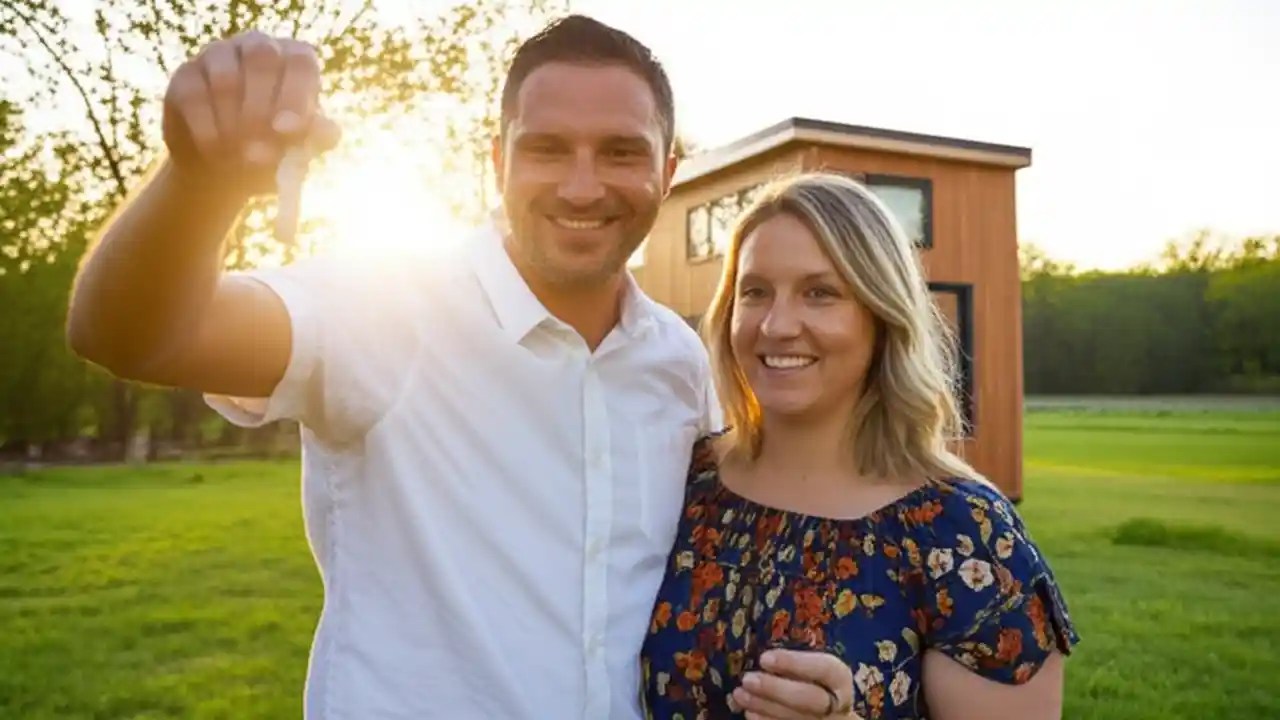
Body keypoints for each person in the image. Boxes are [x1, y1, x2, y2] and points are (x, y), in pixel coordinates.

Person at [65, 14, 855, 720]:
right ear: (497, 160)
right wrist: (200, 182)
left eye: (621, 152)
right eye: (546, 149)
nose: (583, 185)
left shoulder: (679, 363)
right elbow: (131, 334)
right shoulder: (384, 307)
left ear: (668, 170)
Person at [640, 172, 1079, 719]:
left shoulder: (962, 532)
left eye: (820, 293)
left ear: (881, 314)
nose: (776, 325)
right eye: (755, 292)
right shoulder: (686, 480)